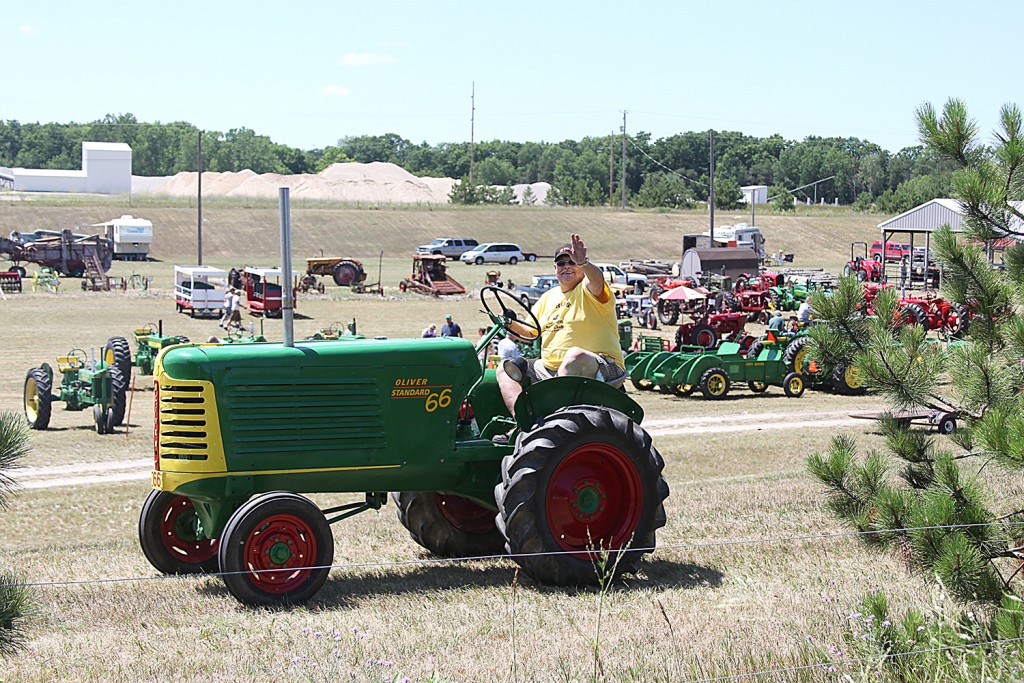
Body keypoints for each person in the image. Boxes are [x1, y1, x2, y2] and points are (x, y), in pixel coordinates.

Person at [497, 233, 626, 416]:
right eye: (561, 263)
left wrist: (584, 263)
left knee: (575, 355)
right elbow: (529, 334)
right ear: (555, 268)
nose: (567, 267)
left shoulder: (588, 289)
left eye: (572, 262)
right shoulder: (548, 297)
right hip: (549, 370)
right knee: (505, 368)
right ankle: (523, 419)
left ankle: (552, 419)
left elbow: (597, 281)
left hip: (600, 365)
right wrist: (509, 323)